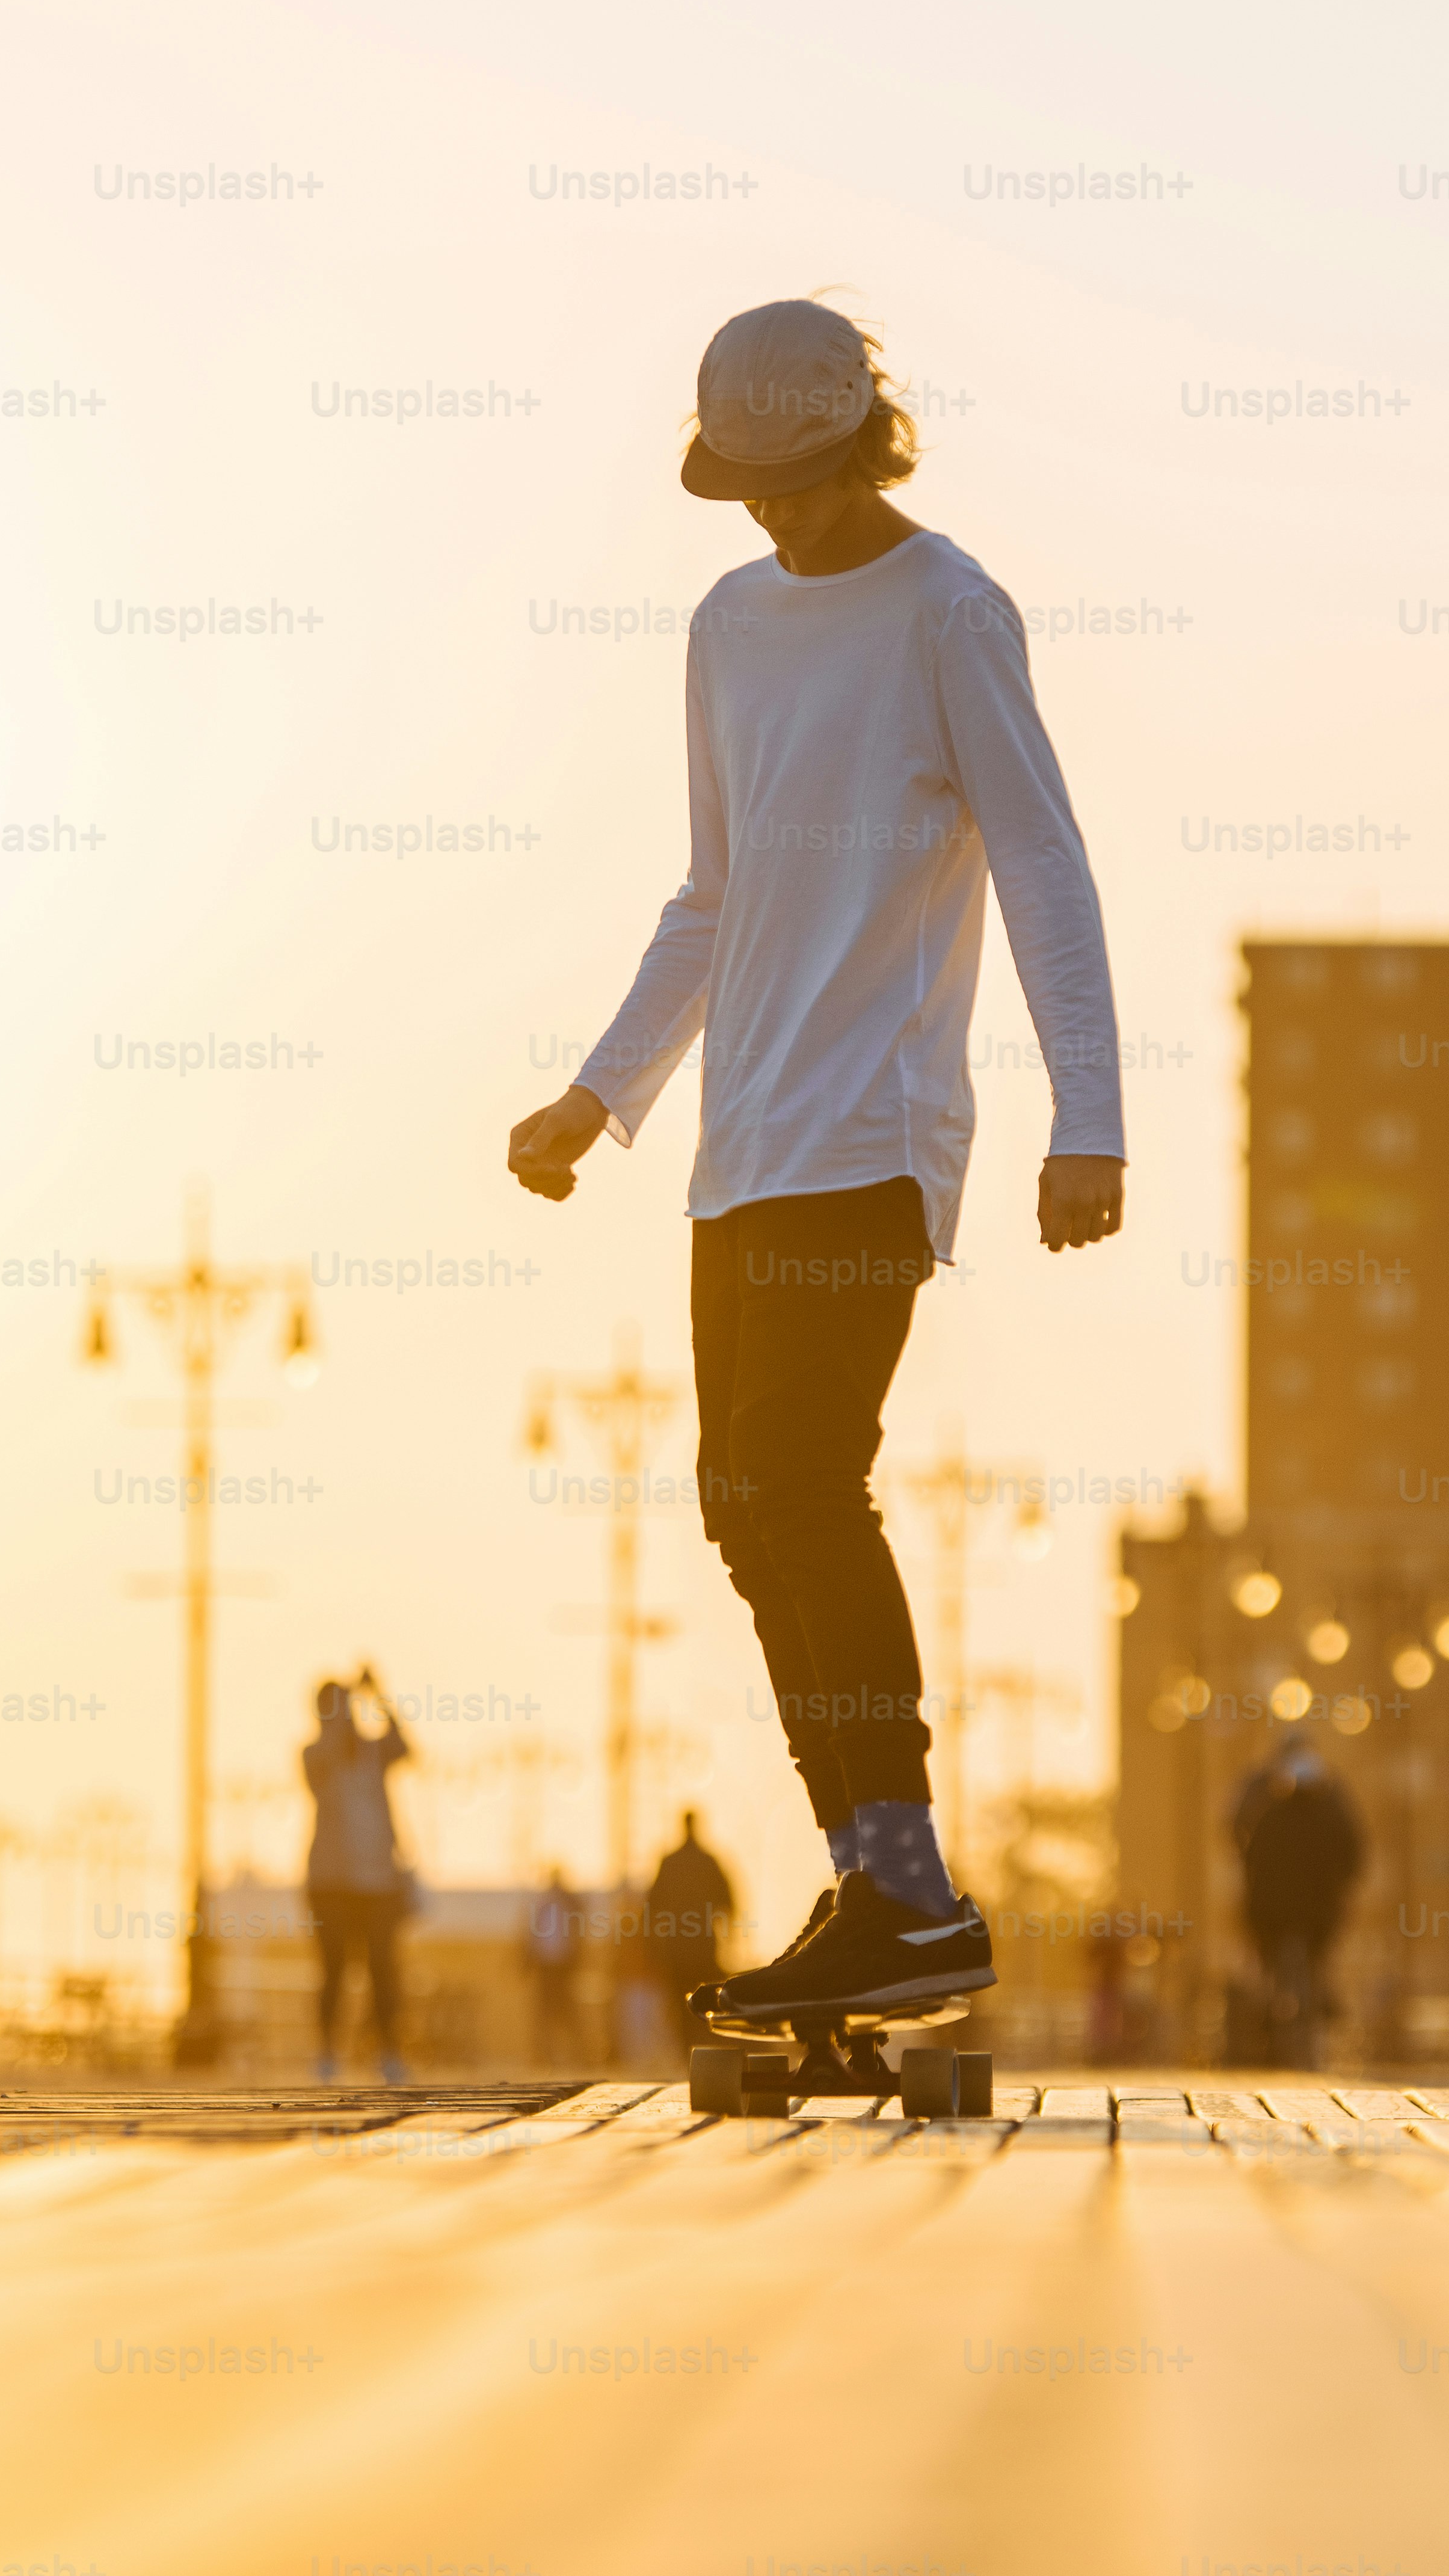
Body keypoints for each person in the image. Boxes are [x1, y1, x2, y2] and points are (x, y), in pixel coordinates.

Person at [508, 298, 1128, 2033]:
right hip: (742, 1145)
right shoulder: (724, 626)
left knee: (799, 1484)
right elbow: (710, 895)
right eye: (748, 494)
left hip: (876, 1130)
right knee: (744, 1507)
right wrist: (598, 1093)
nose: (772, 520)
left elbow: (1043, 863)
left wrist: (1091, 1117)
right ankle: (880, 1884)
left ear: (864, 445)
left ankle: (911, 1888)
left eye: (796, 484)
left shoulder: (950, 610)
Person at [302, 1670, 415, 2084]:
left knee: (383, 1968)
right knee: (333, 1969)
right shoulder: (314, 1754)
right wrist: (343, 1703)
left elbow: (405, 1746)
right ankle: (327, 2052)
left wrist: (380, 1694)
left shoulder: (374, 1753)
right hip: (330, 1883)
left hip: (379, 1882)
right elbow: (328, 1752)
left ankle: (389, 2052)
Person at [1229, 1731, 1366, 2070]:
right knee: (1317, 1959)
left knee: (1271, 1963)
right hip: (1316, 1909)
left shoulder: (1264, 1800)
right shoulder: (1332, 1800)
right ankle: (1317, 1997)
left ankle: (1268, 2009)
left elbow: (1242, 1844)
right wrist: (1345, 1886)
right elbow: (1354, 1850)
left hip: (1273, 1910)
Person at [637, 1809, 737, 2052]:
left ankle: (689, 2050)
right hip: (702, 1942)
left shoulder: (671, 1861)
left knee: (682, 1999)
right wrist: (731, 1936)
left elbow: (652, 1904)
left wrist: (650, 1938)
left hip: (678, 1944)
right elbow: (728, 1902)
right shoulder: (708, 1861)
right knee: (705, 1997)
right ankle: (701, 2046)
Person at [523, 1865, 585, 2070]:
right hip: (546, 1965)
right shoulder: (543, 1902)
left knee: (566, 2010)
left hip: (563, 1965)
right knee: (545, 2011)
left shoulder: (568, 1902)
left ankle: (575, 2054)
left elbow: (579, 1928)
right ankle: (544, 2054)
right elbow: (532, 1934)